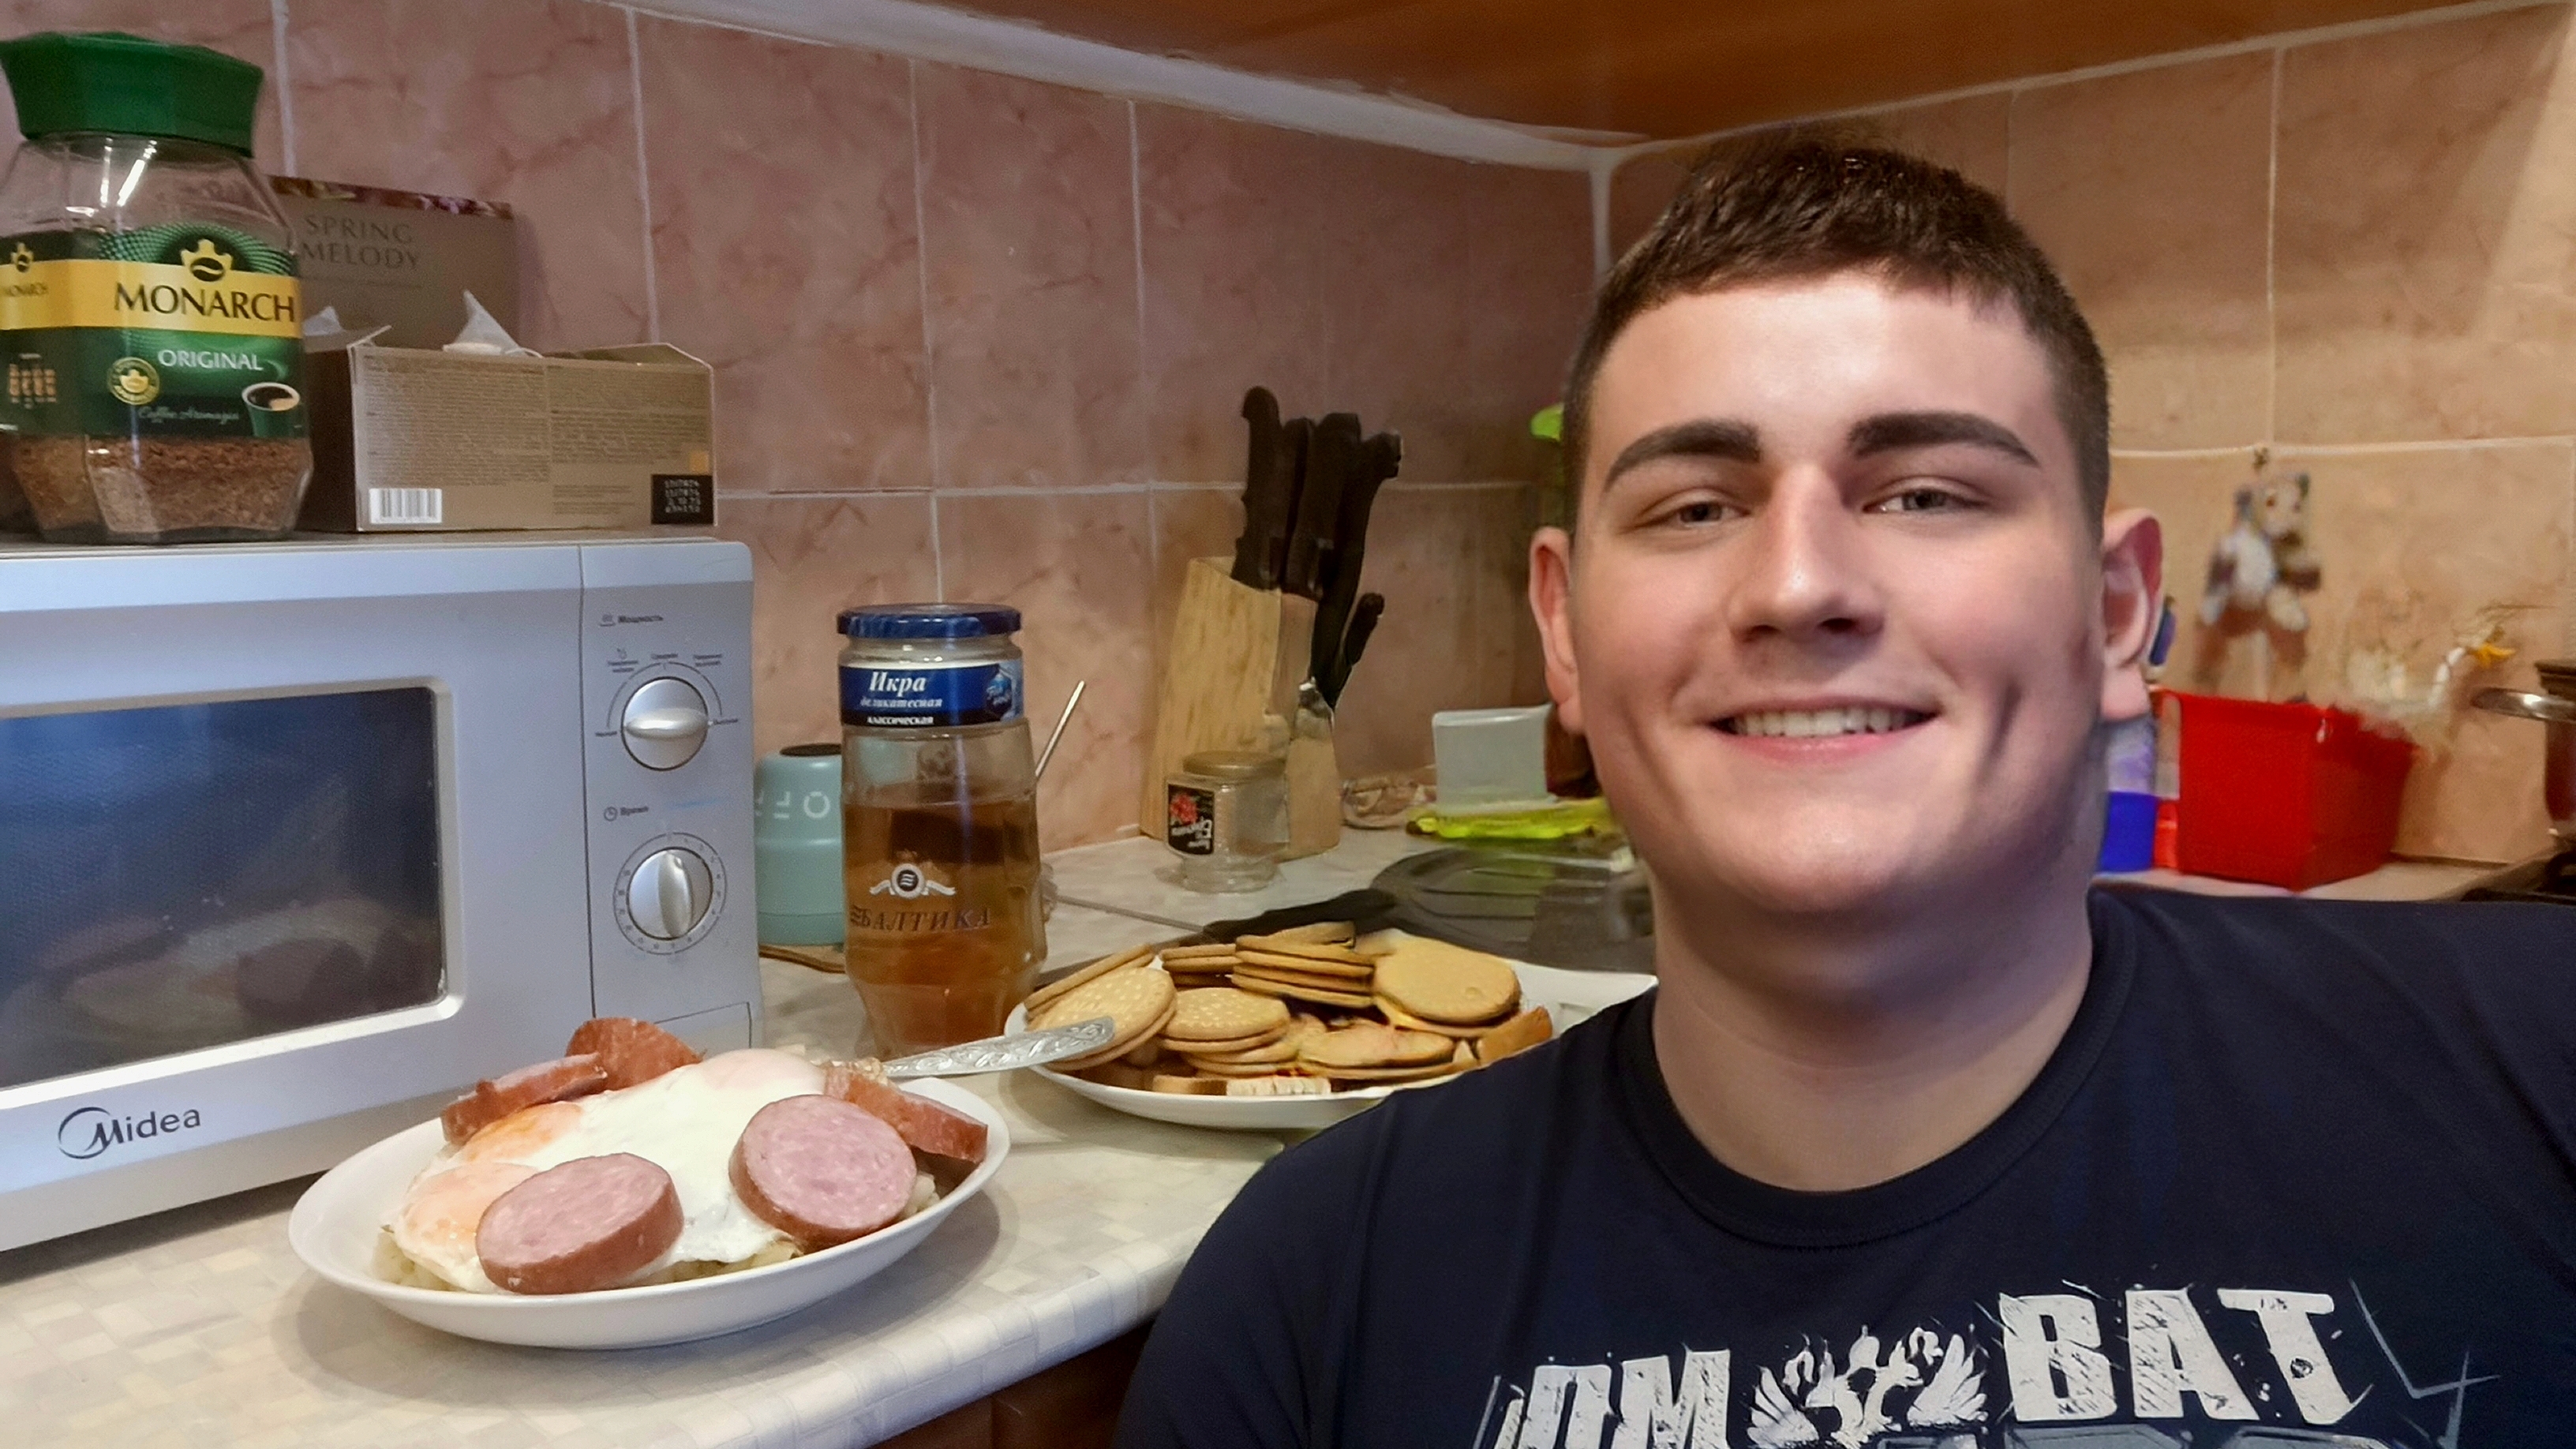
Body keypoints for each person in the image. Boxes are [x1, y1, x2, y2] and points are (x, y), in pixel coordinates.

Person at [1113, 138, 2576, 1449]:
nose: (1801, 584)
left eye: (1926, 492)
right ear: (1564, 632)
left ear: (2117, 610)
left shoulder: (2532, 1060)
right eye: (1696, 507)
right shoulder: (1313, 1297)